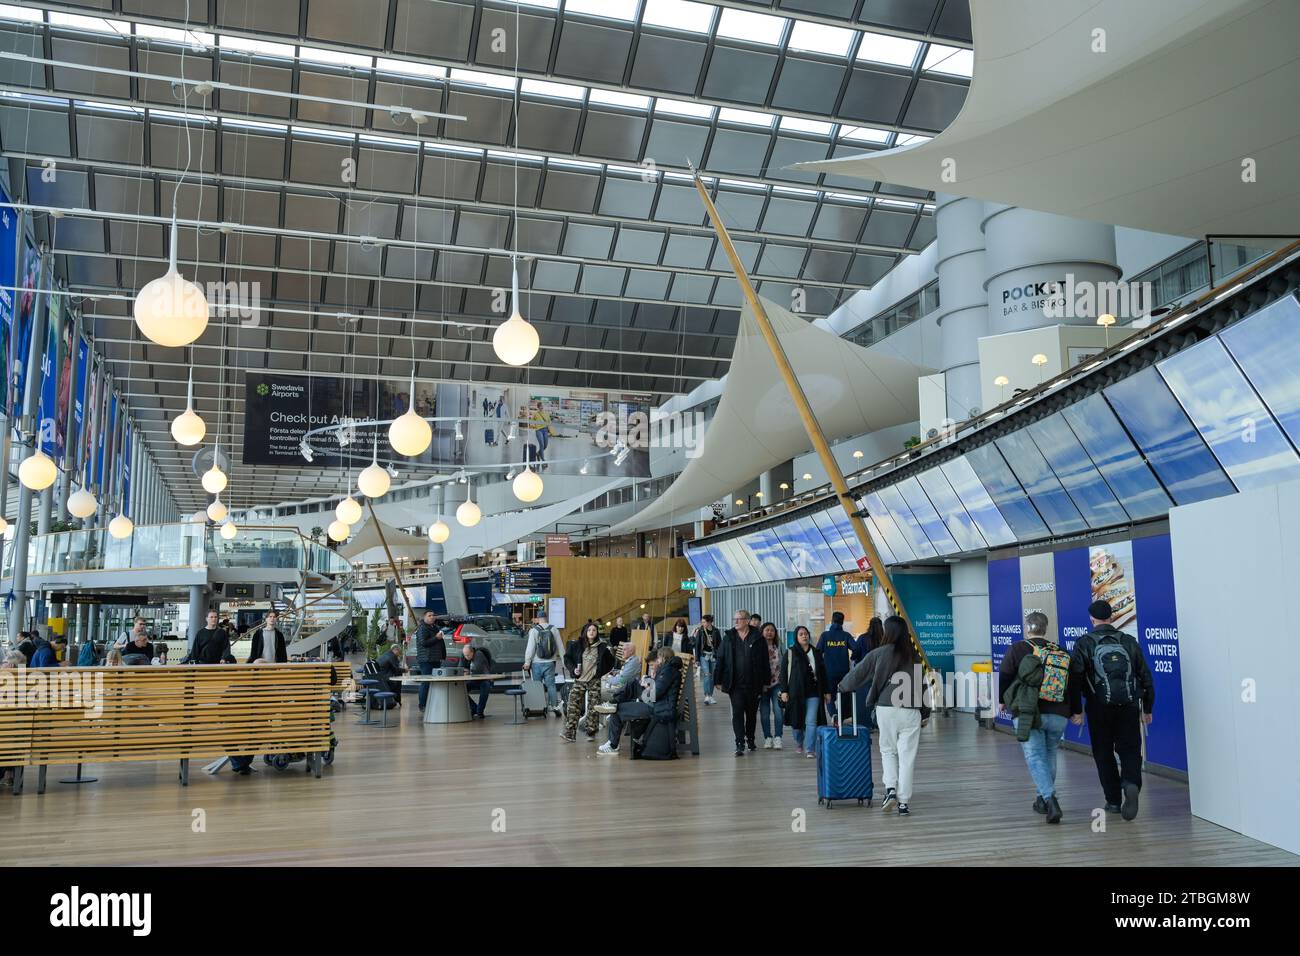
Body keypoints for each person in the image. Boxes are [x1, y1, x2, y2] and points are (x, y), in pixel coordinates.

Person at [1068, 599, 1154, 822]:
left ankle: (1114, 801)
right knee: (1130, 749)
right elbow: (1145, 676)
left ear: (1092, 619)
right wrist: (1148, 708)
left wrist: (1077, 710)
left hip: (1099, 707)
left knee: (1103, 753)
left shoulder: (1084, 643)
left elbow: (1075, 679)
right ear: (1112, 617)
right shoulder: (1128, 641)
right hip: (1128, 705)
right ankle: (1131, 784)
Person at [838, 616, 929, 816]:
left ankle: (890, 790)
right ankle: (903, 803)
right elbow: (922, 686)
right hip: (910, 710)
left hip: (886, 708)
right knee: (907, 757)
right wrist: (925, 712)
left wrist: (841, 686)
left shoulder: (879, 653)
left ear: (887, 632)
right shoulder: (913, 656)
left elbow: (858, 674)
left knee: (887, 750)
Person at [1000, 610, 1073, 824]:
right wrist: (1076, 710)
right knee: (1049, 753)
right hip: (1059, 711)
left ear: (1027, 627)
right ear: (1045, 628)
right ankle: (1042, 800)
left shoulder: (1017, 648)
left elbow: (1004, 675)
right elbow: (1072, 683)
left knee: (1034, 757)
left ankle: (1051, 800)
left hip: (1029, 711)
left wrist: (1002, 699)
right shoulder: (1060, 650)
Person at [597, 647, 683, 756]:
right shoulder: (668, 669)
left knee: (617, 709)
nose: (658, 660)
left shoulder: (669, 670)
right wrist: (649, 681)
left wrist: (647, 687)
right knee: (632, 684)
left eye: (659, 658)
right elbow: (659, 689)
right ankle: (613, 702)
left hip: (657, 708)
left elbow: (655, 694)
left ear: (663, 657)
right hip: (656, 704)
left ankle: (613, 745)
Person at [715, 609, 768, 756]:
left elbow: (765, 661)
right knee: (737, 713)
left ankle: (750, 739)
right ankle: (739, 742)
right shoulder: (729, 637)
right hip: (735, 684)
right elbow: (720, 658)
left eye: (739, 619)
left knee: (751, 714)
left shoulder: (758, 637)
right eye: (735, 619)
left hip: (754, 683)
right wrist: (717, 680)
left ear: (747, 621)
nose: (736, 621)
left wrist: (765, 682)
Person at [560, 622, 614, 742]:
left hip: (594, 680)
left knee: (593, 707)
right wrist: (573, 669)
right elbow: (567, 658)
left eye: (594, 630)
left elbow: (611, 661)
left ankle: (591, 732)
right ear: (585, 632)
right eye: (589, 630)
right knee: (572, 705)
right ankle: (570, 733)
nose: (591, 632)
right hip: (580, 680)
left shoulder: (602, 647)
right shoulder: (576, 645)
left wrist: (600, 672)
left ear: (597, 632)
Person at [779, 625, 828, 756]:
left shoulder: (816, 652)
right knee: (797, 723)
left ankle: (810, 748)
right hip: (795, 692)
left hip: (814, 692)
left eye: (806, 633)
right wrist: (784, 691)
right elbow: (783, 673)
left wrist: (827, 691)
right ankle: (799, 741)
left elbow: (823, 673)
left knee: (811, 720)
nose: (804, 636)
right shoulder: (790, 652)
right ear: (796, 637)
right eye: (801, 634)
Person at [523, 611, 564, 717]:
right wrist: (565, 662)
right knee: (551, 685)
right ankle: (554, 707)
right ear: (547, 617)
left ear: (537, 619)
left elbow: (530, 648)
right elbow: (560, 647)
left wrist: (527, 662)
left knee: (538, 686)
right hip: (550, 662)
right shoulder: (554, 629)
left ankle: (539, 707)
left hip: (537, 662)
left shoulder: (534, 630)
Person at [818, 611, 855, 725]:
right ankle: (840, 716)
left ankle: (834, 715)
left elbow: (818, 652)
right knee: (844, 695)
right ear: (842, 622)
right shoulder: (846, 636)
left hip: (828, 672)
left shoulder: (825, 636)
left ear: (832, 621)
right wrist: (852, 658)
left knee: (829, 696)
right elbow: (856, 648)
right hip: (844, 672)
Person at [755, 622, 785, 749]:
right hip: (763, 685)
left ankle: (778, 737)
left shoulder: (779, 646)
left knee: (778, 711)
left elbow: (785, 663)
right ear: (762, 632)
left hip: (777, 684)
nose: (769, 632)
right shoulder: (758, 646)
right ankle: (767, 737)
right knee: (764, 713)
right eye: (767, 630)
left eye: (772, 630)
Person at [851, 617, 884, 731]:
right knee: (880, 699)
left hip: (864, 674)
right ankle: (879, 724)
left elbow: (855, 655)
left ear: (869, 626)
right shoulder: (885, 639)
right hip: (881, 673)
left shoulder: (862, 638)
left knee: (864, 699)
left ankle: (865, 725)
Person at [414, 612, 447, 710]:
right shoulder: (422, 628)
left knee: (435, 682)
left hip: (435, 658)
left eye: (433, 615)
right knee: (426, 682)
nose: (432, 617)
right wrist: (436, 638)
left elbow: (440, 642)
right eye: (429, 615)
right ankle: (423, 705)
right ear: (424, 617)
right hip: (426, 660)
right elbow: (423, 643)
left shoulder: (435, 628)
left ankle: (431, 703)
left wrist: (442, 655)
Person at [693, 614, 720, 705]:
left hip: (713, 656)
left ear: (709, 622)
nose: (702, 623)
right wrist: (696, 659)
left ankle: (711, 696)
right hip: (703, 655)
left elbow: (719, 645)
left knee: (712, 676)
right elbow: (697, 645)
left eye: (704, 622)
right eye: (702, 622)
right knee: (707, 674)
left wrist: (719, 657)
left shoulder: (716, 631)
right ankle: (707, 695)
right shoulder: (700, 631)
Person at [462, 644, 492, 718]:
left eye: (468, 655)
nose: (466, 657)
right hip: (473, 680)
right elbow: (460, 668)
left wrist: (467, 671)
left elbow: (476, 669)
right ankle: (474, 707)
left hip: (484, 679)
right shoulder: (464, 654)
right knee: (460, 690)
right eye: (465, 655)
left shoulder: (479, 654)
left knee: (485, 686)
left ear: (472, 652)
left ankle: (480, 711)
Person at [373, 642, 405, 708]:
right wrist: (405, 670)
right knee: (398, 678)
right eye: (399, 652)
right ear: (395, 650)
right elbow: (396, 669)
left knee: (397, 675)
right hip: (384, 678)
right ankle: (396, 699)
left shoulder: (386, 654)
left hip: (379, 676)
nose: (399, 654)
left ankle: (395, 700)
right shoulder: (392, 656)